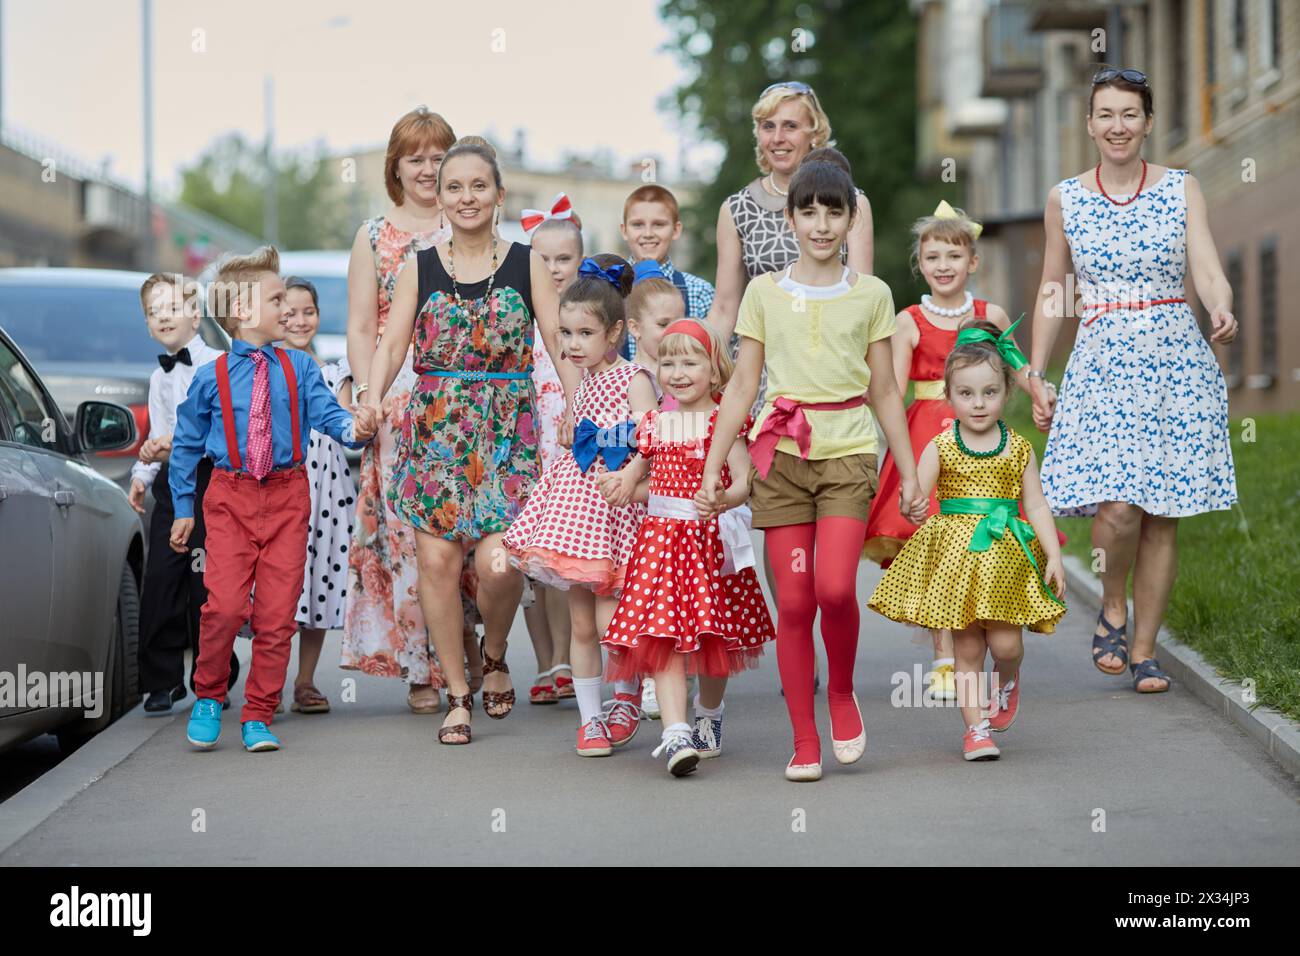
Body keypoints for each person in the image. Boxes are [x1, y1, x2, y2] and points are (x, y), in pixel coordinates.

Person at [699, 156, 926, 782]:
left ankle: (842, 693)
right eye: (809, 211)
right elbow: (744, 385)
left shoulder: (872, 294)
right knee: (794, 602)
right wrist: (715, 464)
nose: (821, 224)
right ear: (791, 218)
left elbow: (884, 389)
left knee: (832, 589)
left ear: (852, 219)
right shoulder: (764, 293)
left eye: (834, 211)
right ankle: (803, 740)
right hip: (781, 459)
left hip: (849, 454)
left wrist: (907, 473)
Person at [1027, 67, 1238, 694]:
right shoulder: (1066, 197)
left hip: (1174, 355)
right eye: (1106, 114)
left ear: (1147, 123)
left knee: (1161, 512)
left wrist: (1220, 305)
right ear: (1090, 124)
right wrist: (1036, 369)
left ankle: (1145, 651)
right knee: (1117, 509)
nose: (1117, 126)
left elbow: (1205, 266)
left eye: (1129, 114)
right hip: (1101, 359)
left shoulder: (1181, 188)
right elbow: (1053, 288)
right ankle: (1112, 607)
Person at [367, 137, 577, 746]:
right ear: (441, 196)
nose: (465, 197)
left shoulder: (525, 264)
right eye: (453, 186)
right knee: (436, 560)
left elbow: (560, 342)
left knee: (499, 564)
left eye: (478, 186)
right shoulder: (421, 265)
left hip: (507, 435)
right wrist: (371, 397)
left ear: (499, 195)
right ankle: (459, 696)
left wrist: (581, 403)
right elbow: (390, 346)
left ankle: (496, 649)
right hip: (435, 434)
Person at [172, 247, 377, 752]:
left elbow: (334, 422)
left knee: (276, 614)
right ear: (241, 312)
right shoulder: (210, 378)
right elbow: (186, 444)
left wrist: (359, 426)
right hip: (229, 496)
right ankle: (209, 695)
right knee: (221, 607)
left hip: (288, 495)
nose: (288, 307)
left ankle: (259, 712)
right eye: (277, 298)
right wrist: (181, 507)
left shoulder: (300, 371)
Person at [869, 322, 1067, 760]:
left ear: (1004, 393)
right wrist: (913, 506)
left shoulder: (1018, 448)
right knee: (969, 648)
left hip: (1005, 563)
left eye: (989, 393)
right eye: (966, 394)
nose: (978, 403)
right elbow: (916, 496)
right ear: (949, 394)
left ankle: (1008, 678)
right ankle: (975, 729)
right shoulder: (940, 446)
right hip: (956, 563)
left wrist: (1053, 555)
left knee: (1005, 645)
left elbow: (1034, 506)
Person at [340, 107, 480, 715]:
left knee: (473, 538)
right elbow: (361, 327)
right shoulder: (375, 237)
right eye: (415, 158)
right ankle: (423, 667)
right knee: (411, 542)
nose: (427, 168)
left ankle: (474, 651)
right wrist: (369, 396)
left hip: (475, 404)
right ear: (396, 167)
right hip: (402, 408)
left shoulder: (473, 224)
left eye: (437, 156)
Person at [862, 202, 1030, 702]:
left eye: (953, 255)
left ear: (972, 262)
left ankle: (987, 637)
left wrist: (1039, 391)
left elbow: (1016, 366)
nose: (943, 265)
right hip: (927, 438)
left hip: (982, 438)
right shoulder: (909, 320)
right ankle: (943, 657)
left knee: (981, 539)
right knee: (937, 541)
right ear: (920, 262)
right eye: (932, 256)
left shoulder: (991, 315)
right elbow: (890, 387)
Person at [599, 319, 775, 775]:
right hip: (660, 544)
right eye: (667, 362)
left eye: (689, 362)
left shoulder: (723, 420)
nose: (676, 372)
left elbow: (743, 482)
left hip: (708, 543)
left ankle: (710, 716)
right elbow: (641, 474)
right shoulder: (657, 421)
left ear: (715, 371)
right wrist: (621, 483)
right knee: (664, 637)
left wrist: (723, 499)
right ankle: (676, 733)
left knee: (715, 638)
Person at [503, 254, 656, 757]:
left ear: (613, 333)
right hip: (577, 512)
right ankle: (590, 720)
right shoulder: (583, 380)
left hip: (618, 511)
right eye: (565, 333)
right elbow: (582, 433)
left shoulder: (633, 377)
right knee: (584, 623)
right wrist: (574, 431)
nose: (571, 344)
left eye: (583, 334)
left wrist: (630, 470)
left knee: (615, 622)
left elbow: (650, 438)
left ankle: (627, 698)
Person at [131, 272, 240, 713]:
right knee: (160, 578)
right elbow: (157, 434)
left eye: (172, 308)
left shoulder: (220, 363)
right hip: (171, 483)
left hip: (211, 481)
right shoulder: (159, 378)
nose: (163, 317)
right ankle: (161, 681)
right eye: (154, 312)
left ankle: (214, 678)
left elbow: (225, 432)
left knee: (207, 583)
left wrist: (175, 443)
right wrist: (142, 473)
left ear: (196, 315)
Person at [708, 85, 873, 345]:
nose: (777, 138)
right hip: (759, 365)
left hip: (829, 356)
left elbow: (863, 301)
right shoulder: (736, 208)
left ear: (815, 134)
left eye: (790, 126)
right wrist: (705, 365)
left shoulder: (852, 202)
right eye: (768, 126)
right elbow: (725, 309)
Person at [612, 259, 689, 719]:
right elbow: (642, 437)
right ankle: (645, 675)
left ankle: (678, 668)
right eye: (664, 325)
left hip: (675, 496)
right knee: (638, 590)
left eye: (680, 322)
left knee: (677, 587)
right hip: (636, 497)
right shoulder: (629, 377)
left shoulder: (686, 375)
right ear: (636, 328)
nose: (673, 331)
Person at [279, 276, 355, 714]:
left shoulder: (332, 372)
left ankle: (305, 680)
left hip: (326, 492)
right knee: (276, 586)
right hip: (282, 483)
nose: (299, 320)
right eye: (288, 312)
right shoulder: (264, 368)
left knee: (318, 581)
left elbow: (346, 427)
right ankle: (266, 679)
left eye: (308, 311)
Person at [521, 204, 583, 705]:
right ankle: (545, 663)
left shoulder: (586, 324)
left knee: (565, 564)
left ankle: (567, 658)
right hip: (526, 450)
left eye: (564, 259)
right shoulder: (520, 321)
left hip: (570, 455)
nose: (554, 268)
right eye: (543, 259)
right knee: (530, 567)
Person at [619, 184, 713, 360]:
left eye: (659, 224)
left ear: (676, 229)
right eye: (638, 225)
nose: (648, 233)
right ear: (624, 231)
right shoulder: (608, 289)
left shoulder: (699, 292)